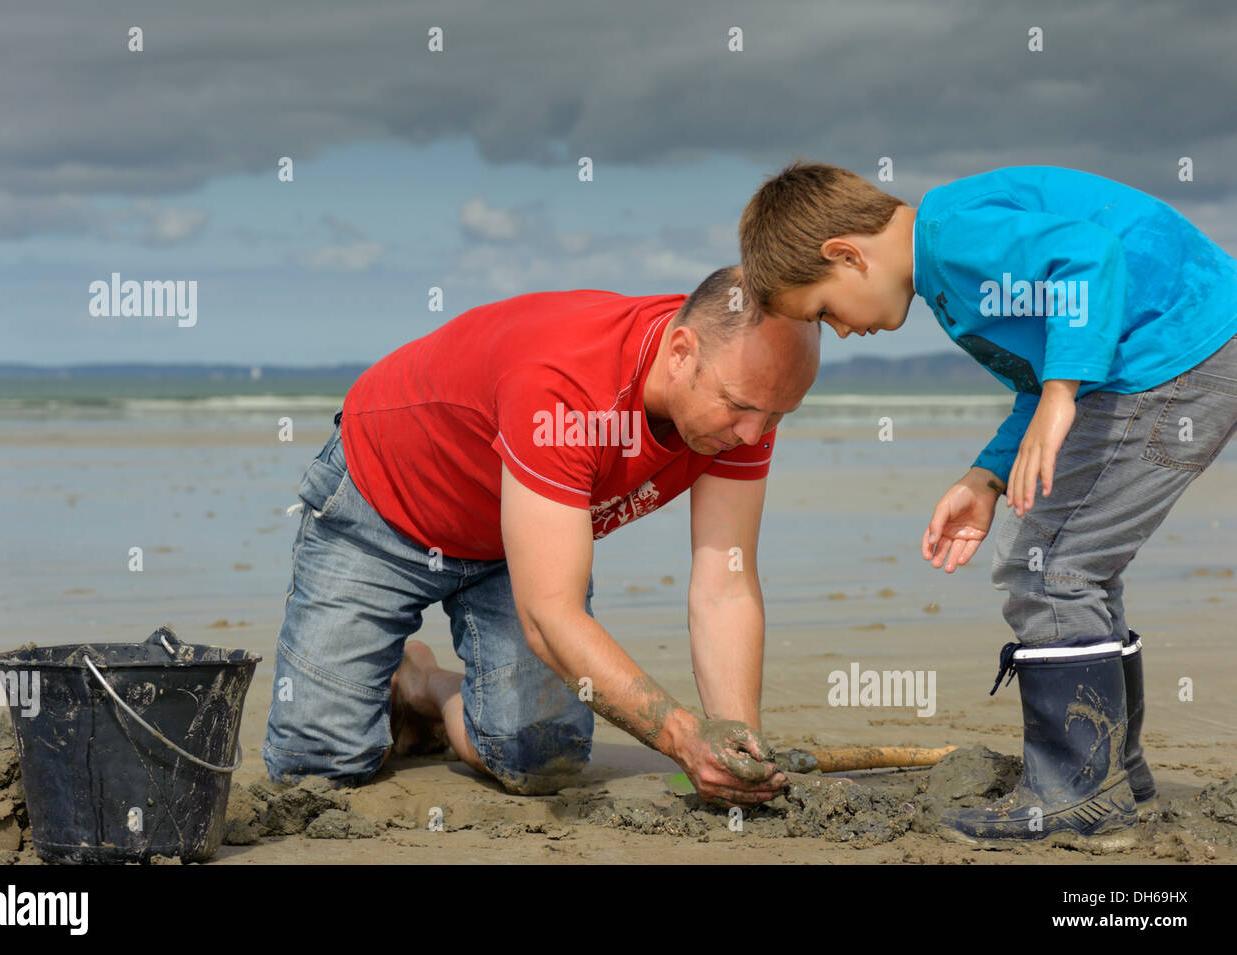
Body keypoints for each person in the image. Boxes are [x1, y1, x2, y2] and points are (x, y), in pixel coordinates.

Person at [738, 161, 1237, 846]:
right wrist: (986, 477)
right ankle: (1112, 776)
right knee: (1076, 561)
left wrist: (1064, 392)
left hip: (1174, 350)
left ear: (846, 254)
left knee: (1048, 565)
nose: (843, 331)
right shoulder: (946, 259)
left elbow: (1091, 257)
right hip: (1187, 342)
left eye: (824, 311)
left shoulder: (950, 238)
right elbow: (1040, 371)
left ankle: (1078, 791)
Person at [263, 266, 819, 806]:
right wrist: (681, 737)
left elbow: (725, 586)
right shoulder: (566, 383)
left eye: (776, 415)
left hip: (523, 539)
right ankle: (391, 679)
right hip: (385, 504)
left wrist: (739, 752)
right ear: (680, 353)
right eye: (741, 407)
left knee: (539, 758)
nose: (753, 433)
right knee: (317, 770)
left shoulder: (745, 396)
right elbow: (549, 618)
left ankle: (424, 685)